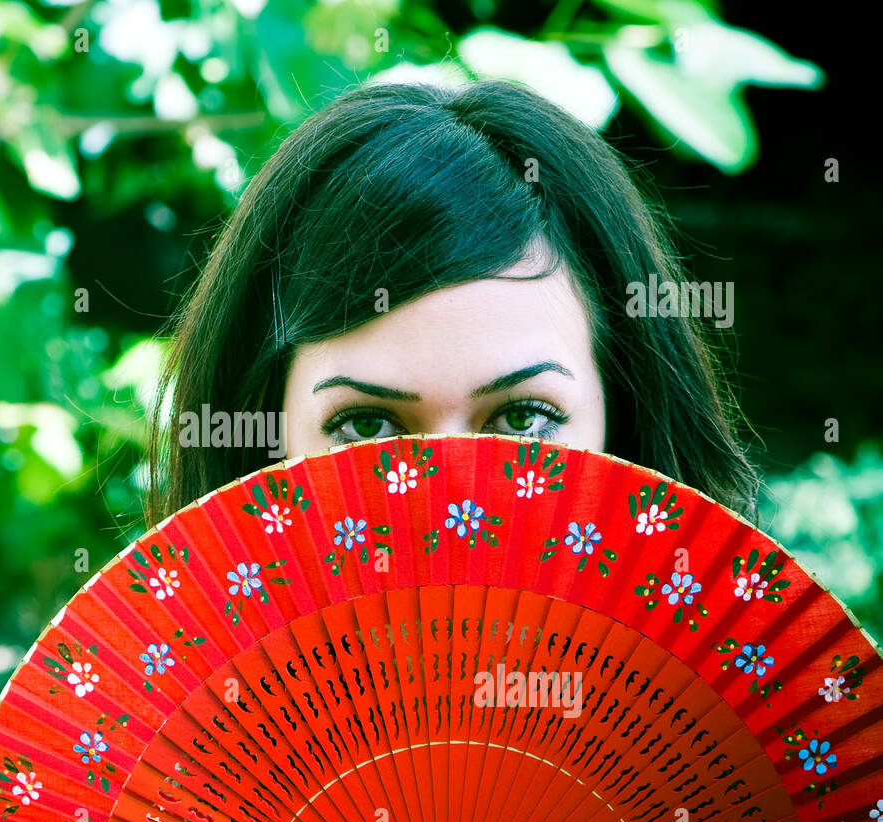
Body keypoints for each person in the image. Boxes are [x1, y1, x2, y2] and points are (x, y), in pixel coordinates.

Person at [145, 79, 757, 526]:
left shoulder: (728, 704)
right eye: (367, 428)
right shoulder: (165, 706)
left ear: (622, 426)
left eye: (523, 421)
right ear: (262, 444)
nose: (451, 508)